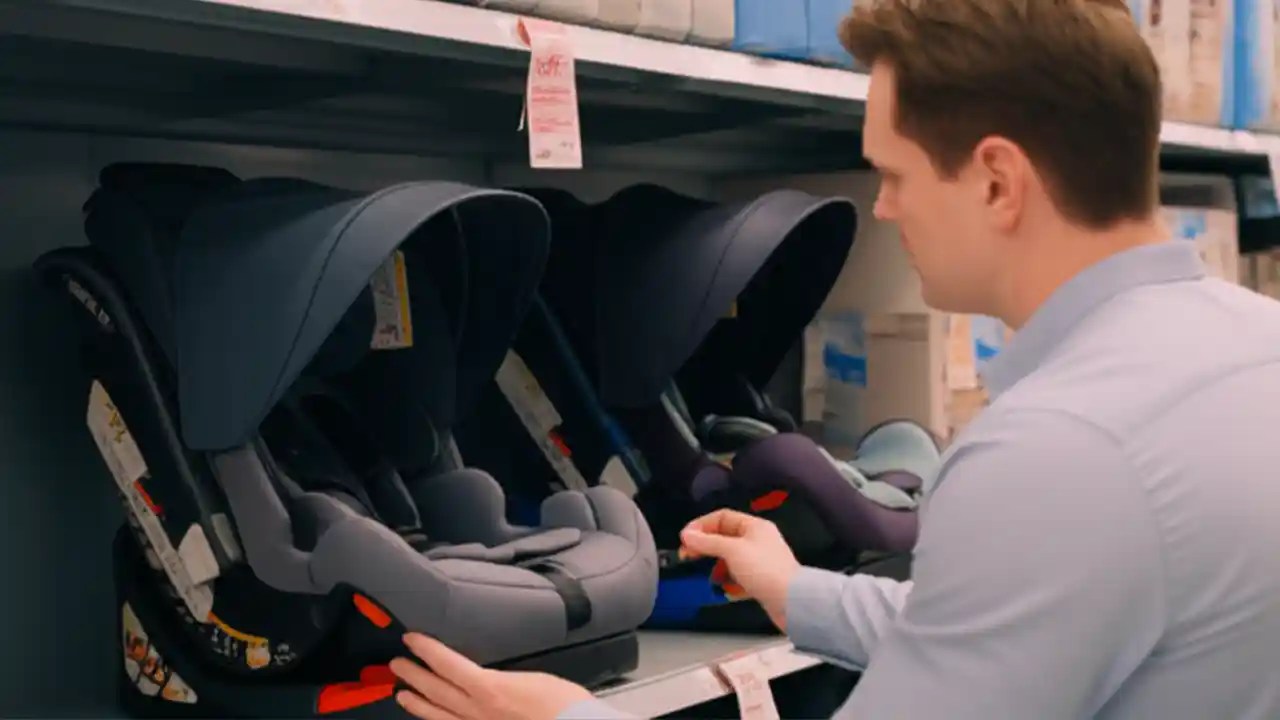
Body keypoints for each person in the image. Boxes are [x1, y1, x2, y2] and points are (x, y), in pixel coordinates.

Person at [387, 0, 1280, 717]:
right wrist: (803, 592)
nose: (885, 210)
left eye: (894, 174)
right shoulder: (1252, 346)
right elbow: (1017, 631)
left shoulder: (1059, 451)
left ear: (998, 182)